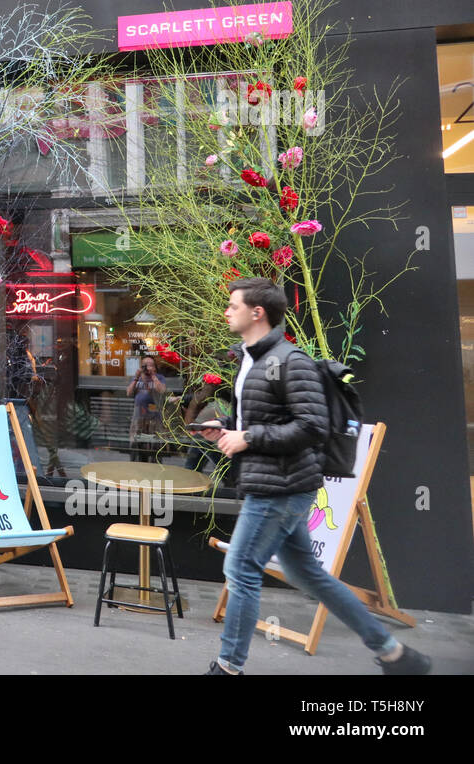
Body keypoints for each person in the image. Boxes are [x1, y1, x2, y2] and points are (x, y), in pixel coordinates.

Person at [198, 277, 429, 675]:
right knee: (310, 575)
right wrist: (225, 426)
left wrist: (247, 437)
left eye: (232, 305)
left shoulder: (291, 361)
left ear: (258, 313)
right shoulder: (249, 360)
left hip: (283, 487)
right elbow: (262, 417)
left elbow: (311, 427)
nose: (226, 311)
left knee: (241, 569)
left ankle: (228, 667)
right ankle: (395, 654)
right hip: (272, 482)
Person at [126, 354, 166, 447]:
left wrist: (153, 376)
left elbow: (162, 391)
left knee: (154, 441)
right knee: (136, 440)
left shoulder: (159, 377)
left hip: (154, 413)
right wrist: (136, 377)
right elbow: (129, 393)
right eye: (145, 365)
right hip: (139, 413)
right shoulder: (137, 378)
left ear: (155, 367)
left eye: (151, 365)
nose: (148, 367)